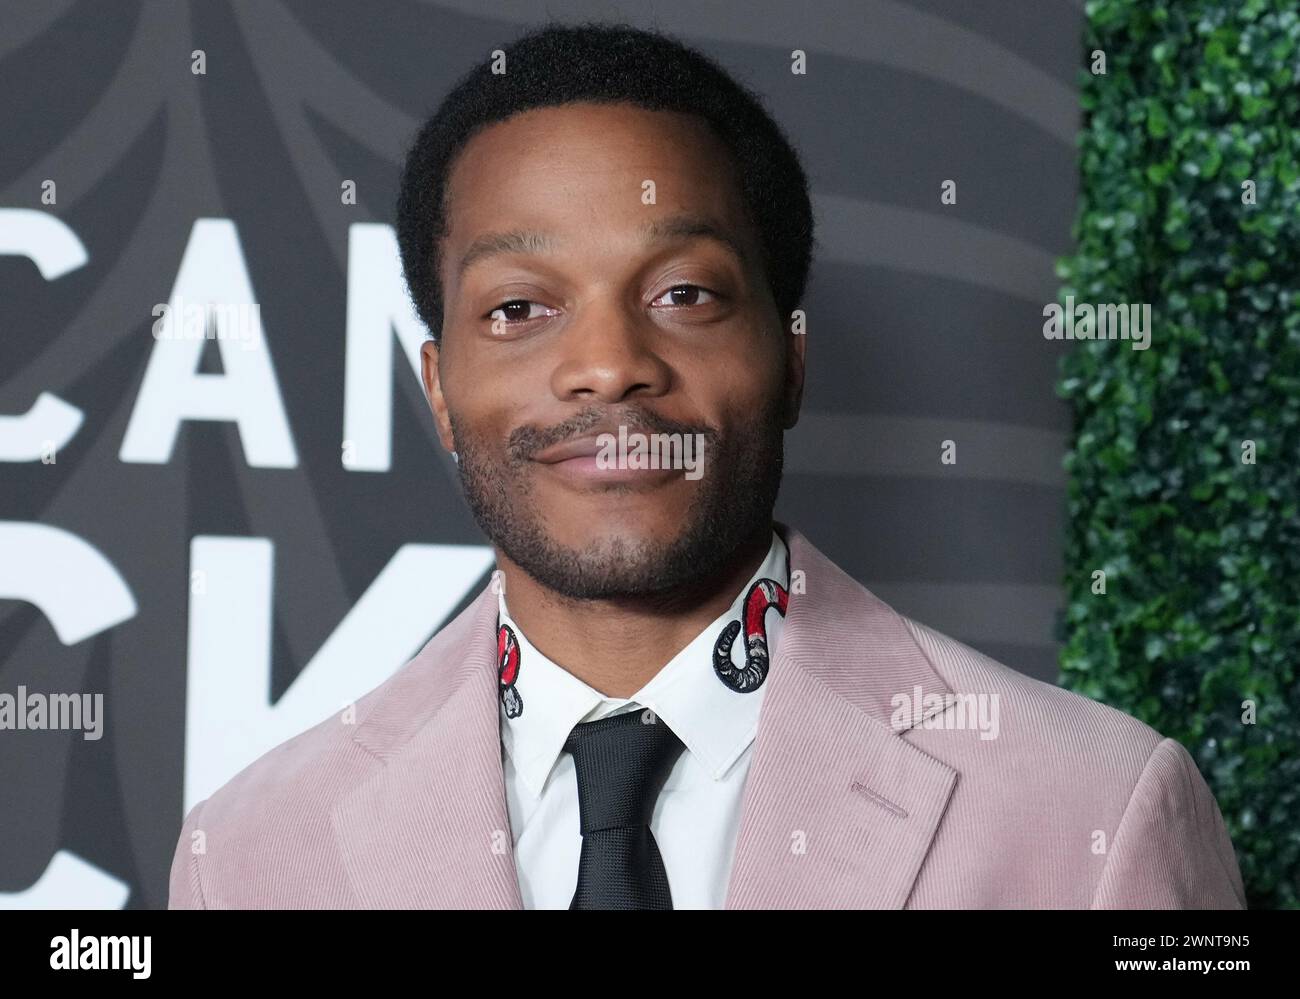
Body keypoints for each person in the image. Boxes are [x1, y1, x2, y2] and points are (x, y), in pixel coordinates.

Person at [168, 21, 1245, 910]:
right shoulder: (253, 854)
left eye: (683, 294)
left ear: (790, 359)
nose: (606, 367)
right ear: (440, 390)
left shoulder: (1093, 813)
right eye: (519, 309)